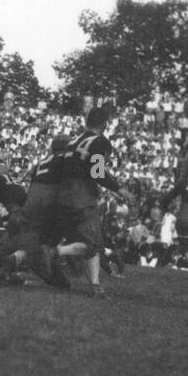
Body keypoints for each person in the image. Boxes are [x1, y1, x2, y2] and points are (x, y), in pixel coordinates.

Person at [56, 106, 125, 296]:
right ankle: (58, 253)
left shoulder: (74, 141)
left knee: (87, 243)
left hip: (63, 194)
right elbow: (97, 172)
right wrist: (120, 189)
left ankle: (94, 284)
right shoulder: (100, 141)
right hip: (82, 195)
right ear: (104, 124)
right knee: (92, 243)